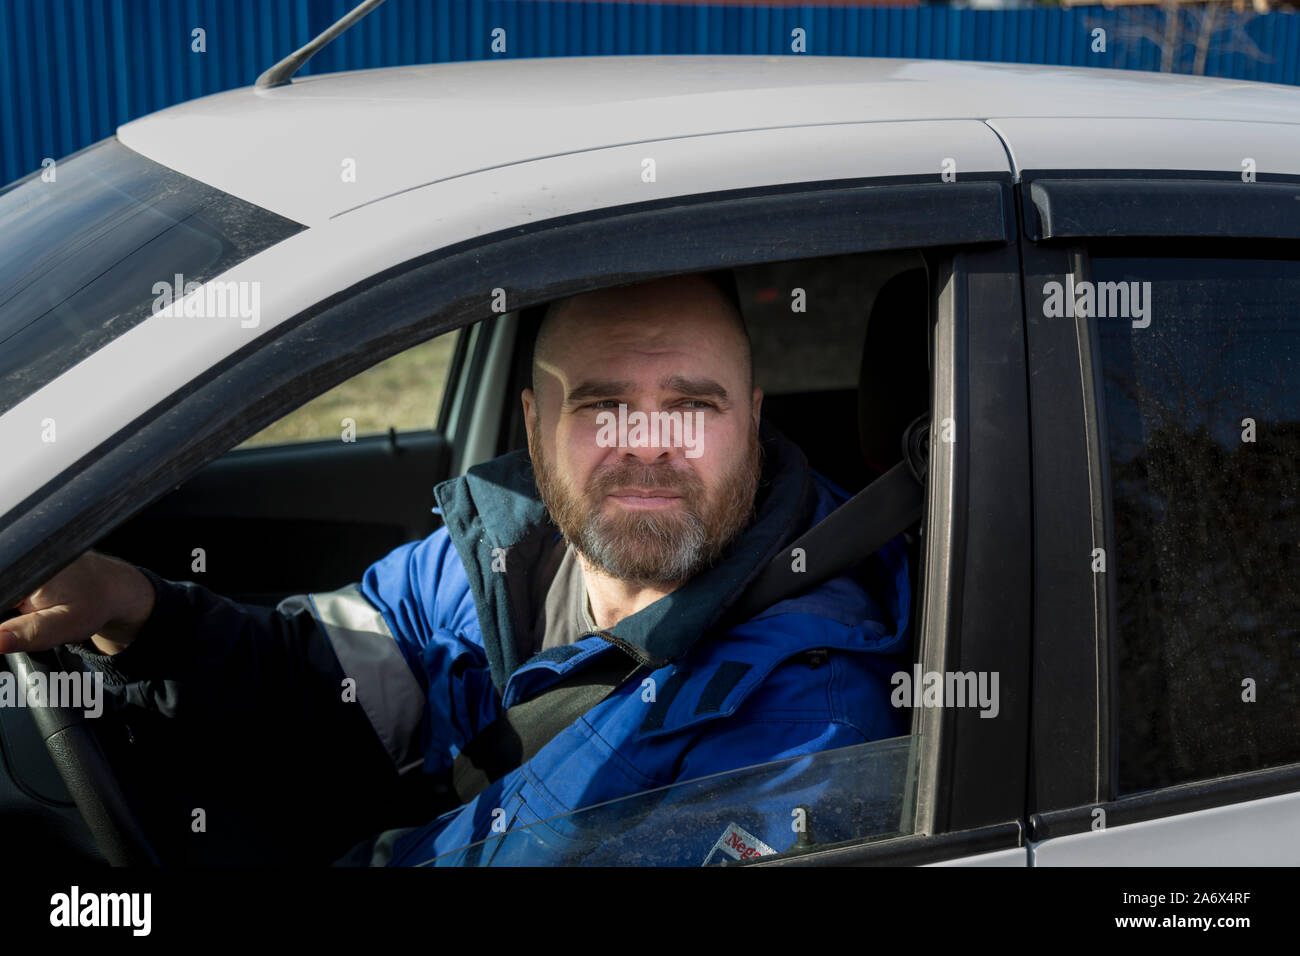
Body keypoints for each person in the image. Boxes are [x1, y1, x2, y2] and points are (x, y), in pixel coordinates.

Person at [0, 271, 911, 866]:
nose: (647, 446)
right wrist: (141, 613)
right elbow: (324, 671)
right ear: (531, 423)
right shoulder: (504, 551)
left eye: (692, 406)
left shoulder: (806, 726)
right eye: (600, 406)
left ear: (752, 418)